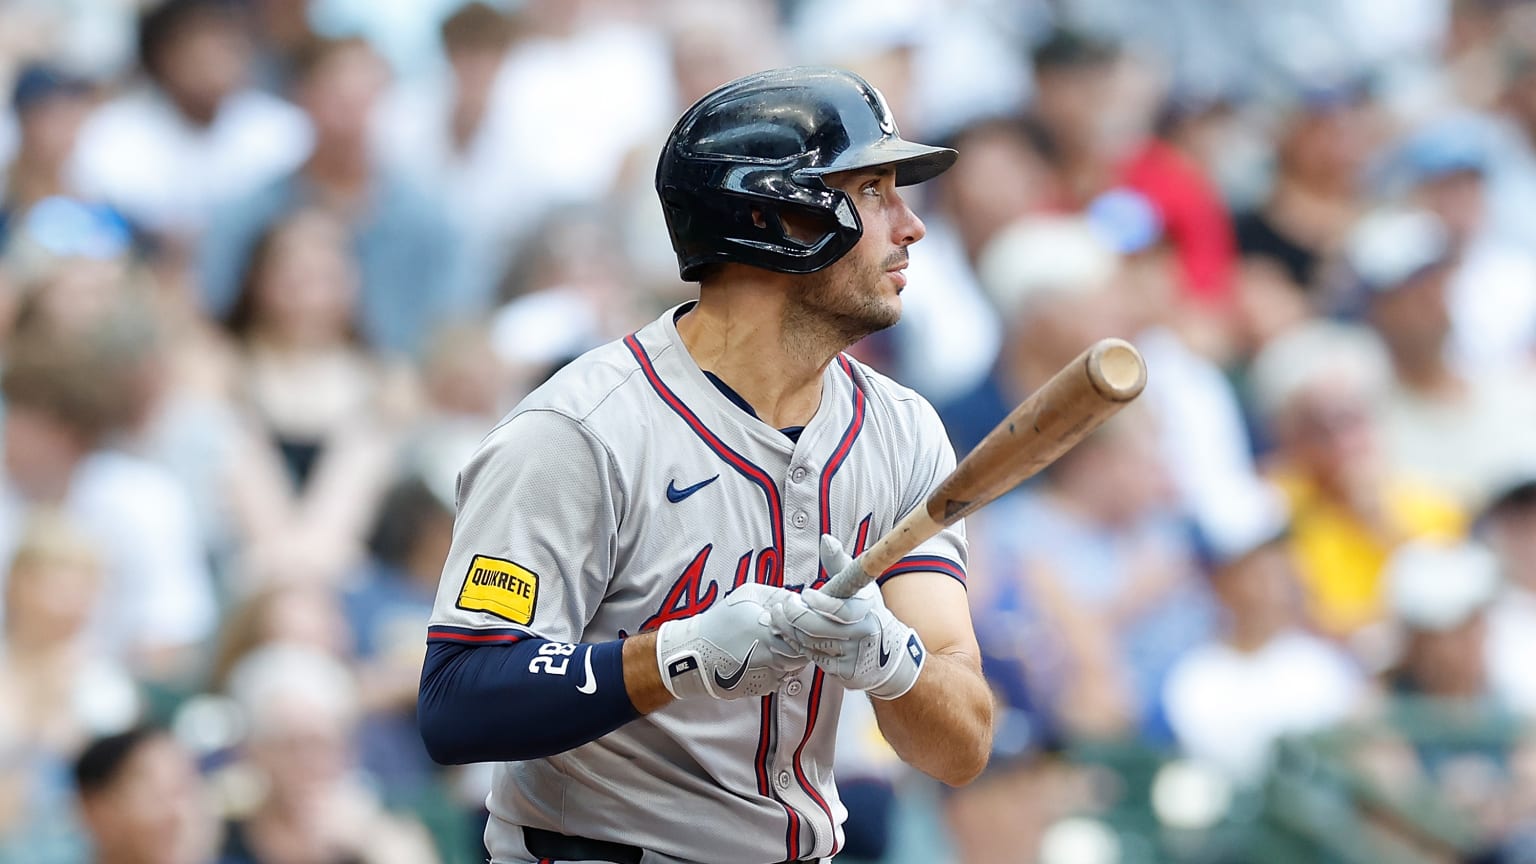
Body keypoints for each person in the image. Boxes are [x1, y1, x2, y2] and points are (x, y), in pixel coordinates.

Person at [418, 67, 995, 864]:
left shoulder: (902, 431)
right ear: (772, 216)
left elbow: (959, 746)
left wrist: (891, 661)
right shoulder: (579, 430)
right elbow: (459, 701)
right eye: (872, 191)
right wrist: (675, 656)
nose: (910, 225)